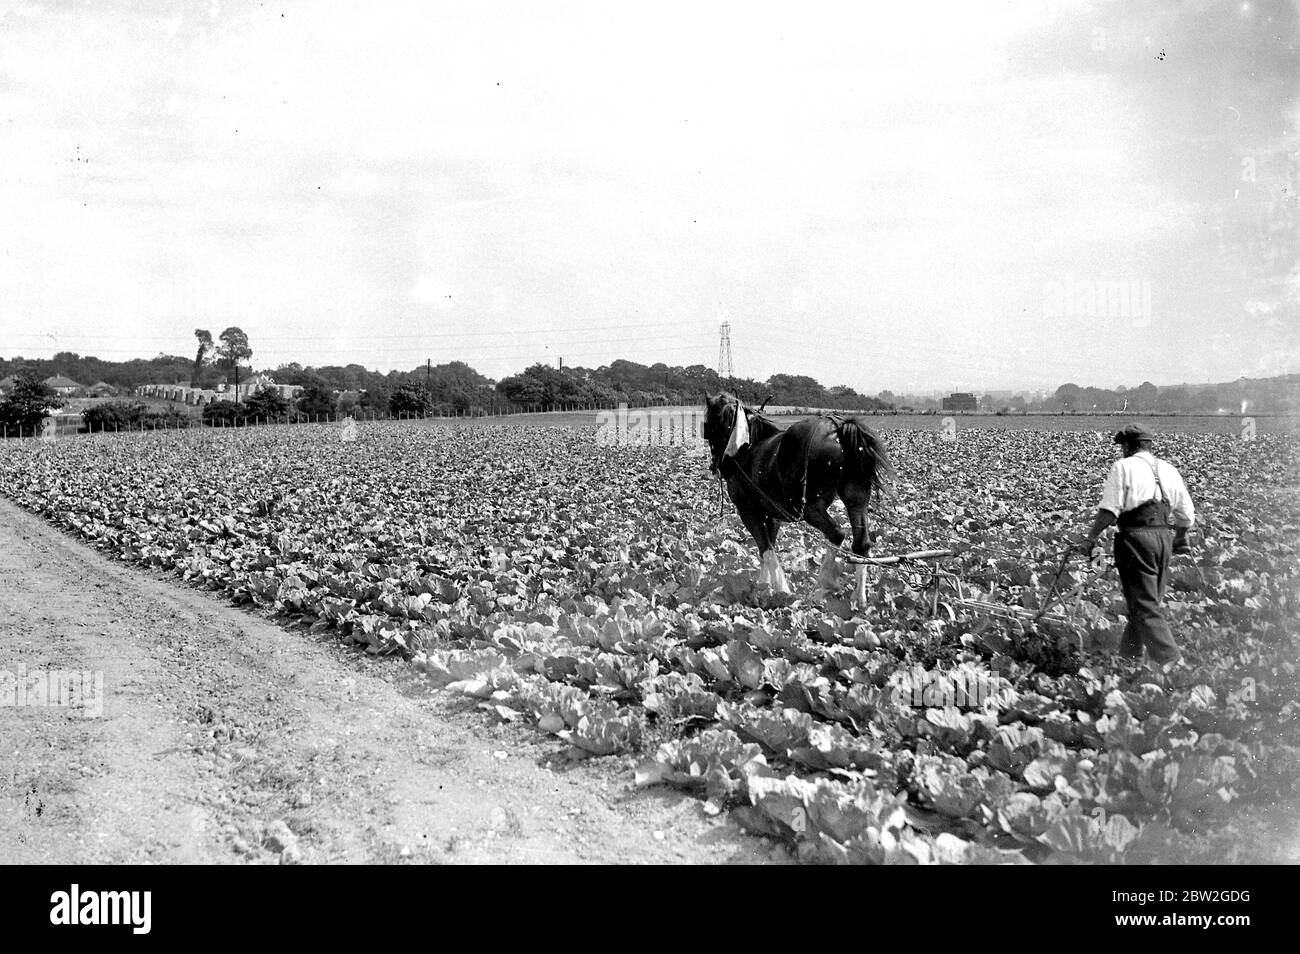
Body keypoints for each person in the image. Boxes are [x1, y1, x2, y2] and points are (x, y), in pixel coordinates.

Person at [1080, 423, 1195, 670]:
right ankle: (1128, 663)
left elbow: (1109, 511)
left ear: (1129, 446)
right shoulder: (1169, 469)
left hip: (1135, 541)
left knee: (1144, 607)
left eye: (1123, 446)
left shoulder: (1123, 467)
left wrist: (1090, 539)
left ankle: (1173, 666)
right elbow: (1186, 514)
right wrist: (1179, 537)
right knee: (1143, 606)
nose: (1122, 450)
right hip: (1163, 539)